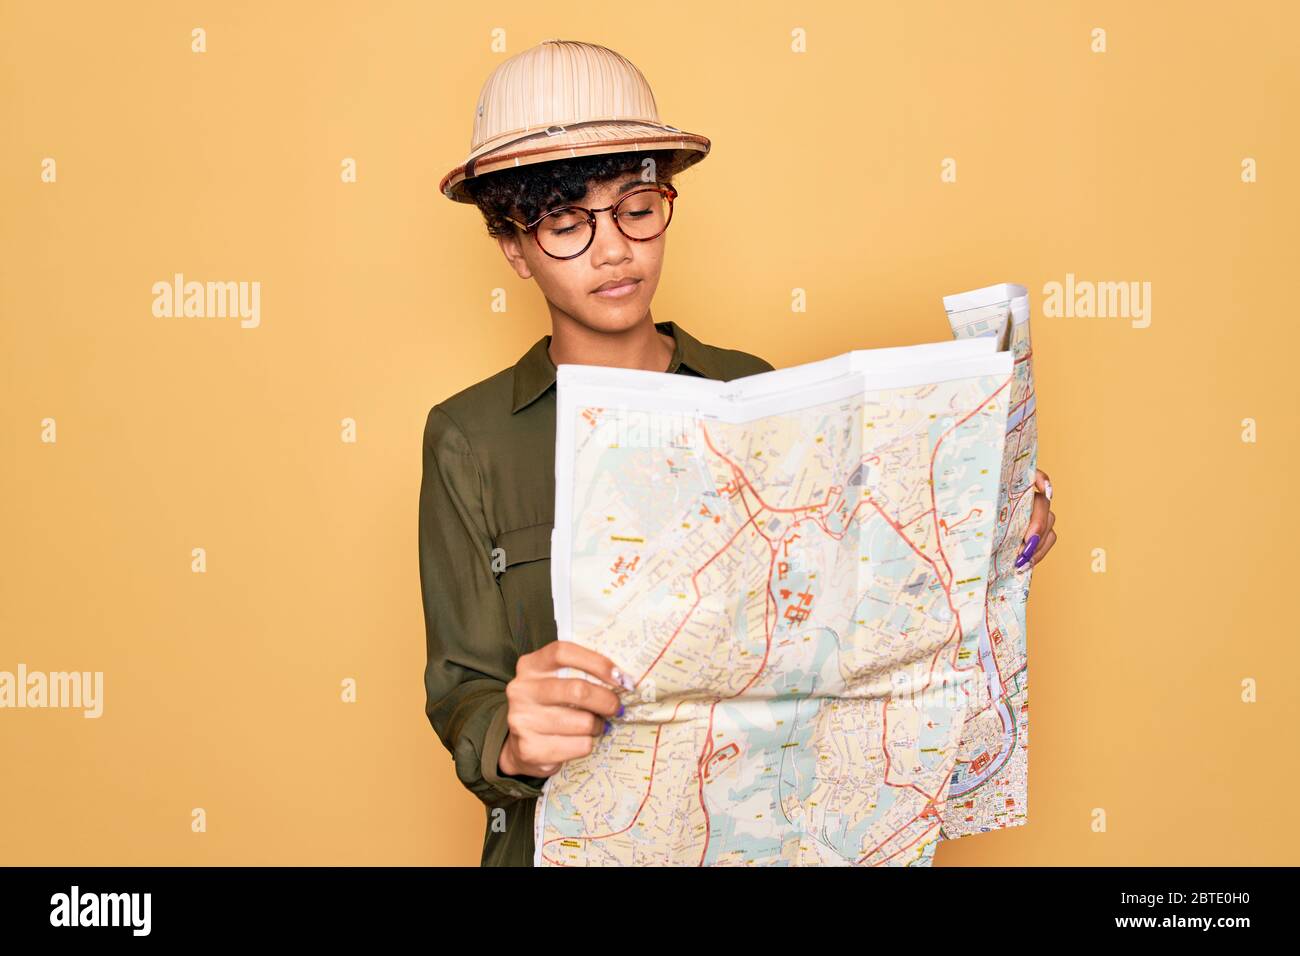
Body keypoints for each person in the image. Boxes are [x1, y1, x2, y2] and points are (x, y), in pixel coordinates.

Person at [420, 39, 1058, 867]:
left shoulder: (755, 390)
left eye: (637, 208)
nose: (614, 249)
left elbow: (853, 617)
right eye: (566, 222)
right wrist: (512, 738)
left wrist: (989, 528)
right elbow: (460, 688)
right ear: (514, 245)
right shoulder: (470, 436)